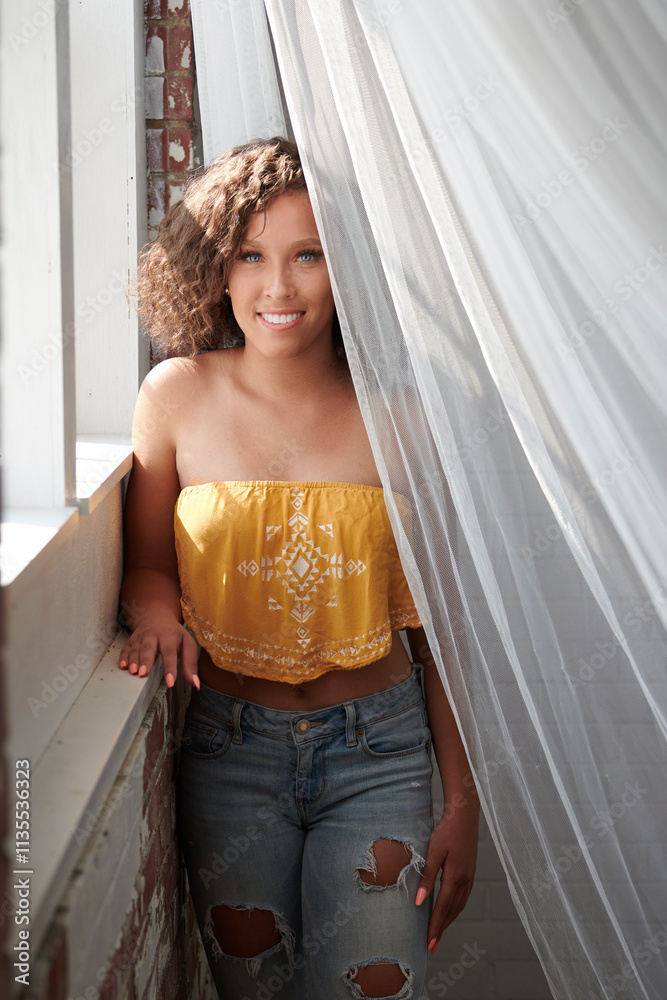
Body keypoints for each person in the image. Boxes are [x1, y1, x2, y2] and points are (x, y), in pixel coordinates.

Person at [118, 137, 479, 1000]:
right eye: (250, 256)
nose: (277, 287)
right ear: (214, 268)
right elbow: (148, 564)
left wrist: (463, 804)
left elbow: (445, 630)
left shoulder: (404, 420)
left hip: (381, 754)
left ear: (347, 268)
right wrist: (157, 614)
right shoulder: (177, 395)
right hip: (228, 753)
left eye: (307, 255)